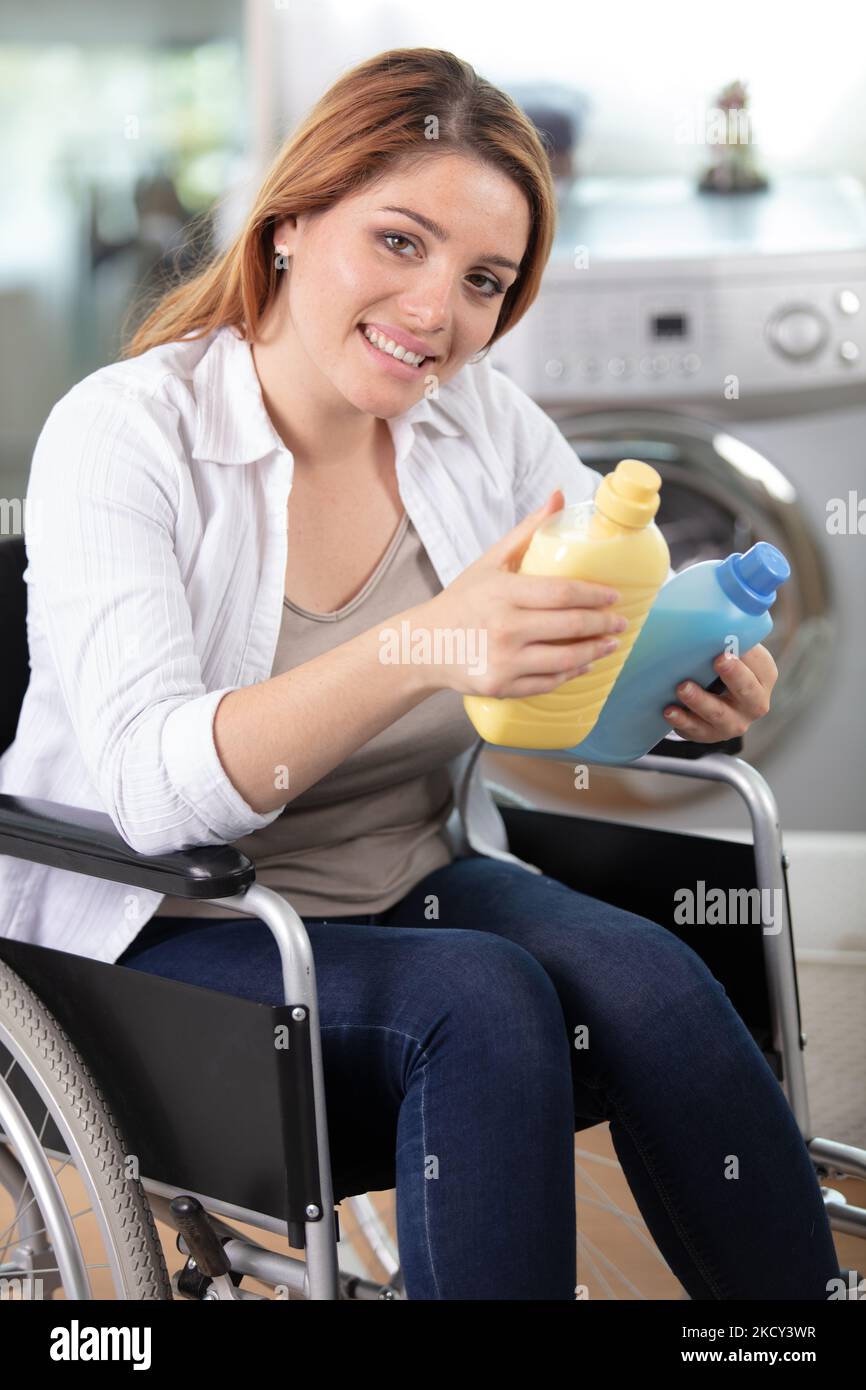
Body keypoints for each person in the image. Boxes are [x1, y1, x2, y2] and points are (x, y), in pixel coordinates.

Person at [1, 47, 839, 1301]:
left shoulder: (482, 428)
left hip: (407, 884)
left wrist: (680, 703)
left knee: (656, 974)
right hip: (162, 931)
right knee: (484, 1000)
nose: (438, 311)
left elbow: (563, 689)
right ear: (290, 221)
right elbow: (154, 800)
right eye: (400, 242)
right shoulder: (124, 438)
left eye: (483, 279)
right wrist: (430, 637)